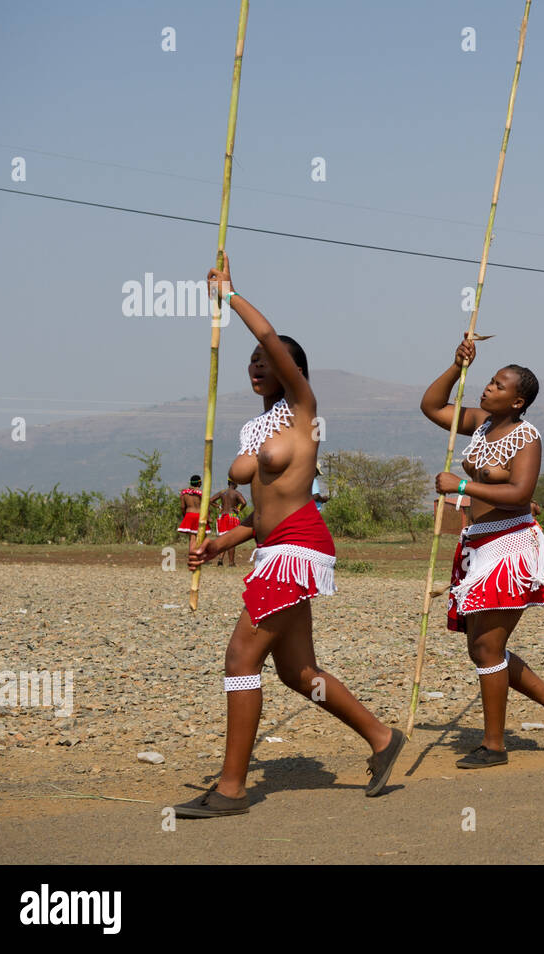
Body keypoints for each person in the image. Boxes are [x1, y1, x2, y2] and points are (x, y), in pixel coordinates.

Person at [176, 254, 402, 818]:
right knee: (297, 672)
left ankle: (232, 788)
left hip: (299, 547)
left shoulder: (303, 411)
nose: (256, 366)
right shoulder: (255, 428)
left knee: (239, 658)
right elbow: (260, 513)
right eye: (250, 361)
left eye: (266, 360)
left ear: (289, 371)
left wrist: (231, 298)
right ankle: (381, 736)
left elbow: (272, 337)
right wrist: (221, 542)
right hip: (272, 546)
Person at [420, 338, 544, 768]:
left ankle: (494, 745)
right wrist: (456, 366)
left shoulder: (526, 436)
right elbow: (432, 406)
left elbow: (520, 492)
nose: (487, 388)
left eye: (498, 385)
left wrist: (462, 485)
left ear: (518, 400)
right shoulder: (481, 424)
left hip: (510, 543)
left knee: (486, 648)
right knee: (483, 646)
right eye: (488, 381)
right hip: (478, 542)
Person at [209, 479, 247, 567]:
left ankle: (220, 560)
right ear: (234, 483)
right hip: (231, 517)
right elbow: (244, 502)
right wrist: (238, 509)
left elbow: (211, 500)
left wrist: (219, 506)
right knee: (232, 541)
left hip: (222, 517)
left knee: (223, 539)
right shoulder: (236, 493)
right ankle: (231, 563)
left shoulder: (222, 492)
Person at [177, 475, 210, 539]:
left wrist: (185, 516)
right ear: (199, 483)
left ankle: (192, 549)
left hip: (189, 515)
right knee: (203, 538)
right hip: (200, 516)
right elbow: (207, 507)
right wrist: (208, 517)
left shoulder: (184, 493)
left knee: (192, 538)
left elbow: (182, 507)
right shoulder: (202, 493)